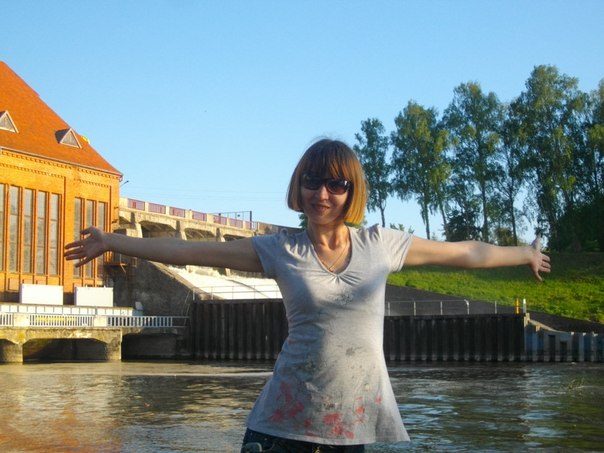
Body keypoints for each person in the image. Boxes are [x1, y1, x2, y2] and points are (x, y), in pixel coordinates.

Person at [65, 138, 551, 452]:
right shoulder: (280, 250)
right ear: (298, 188)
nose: (323, 193)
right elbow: (187, 249)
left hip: (351, 430)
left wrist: (524, 253)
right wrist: (112, 241)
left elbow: (465, 252)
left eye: (336, 183)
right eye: (312, 181)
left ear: (351, 191)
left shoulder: (381, 245)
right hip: (280, 430)